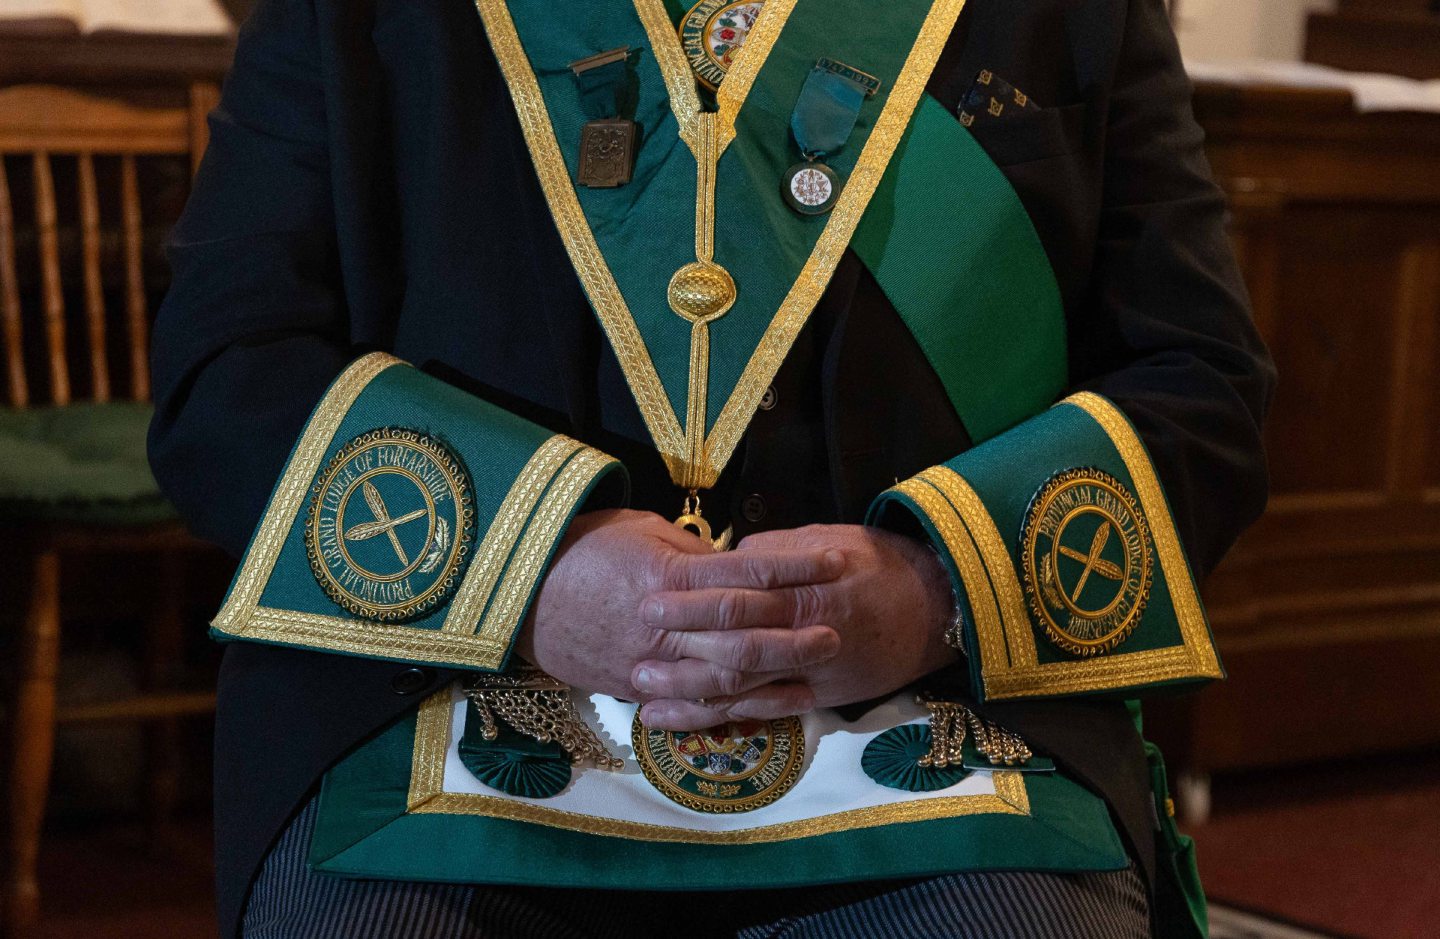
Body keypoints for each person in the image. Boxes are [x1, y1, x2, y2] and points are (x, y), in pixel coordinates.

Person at [148, 0, 1275, 936]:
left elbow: (1201, 386)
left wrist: (938, 587)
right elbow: (228, 372)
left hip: (937, 721)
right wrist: (531, 572)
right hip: (443, 701)